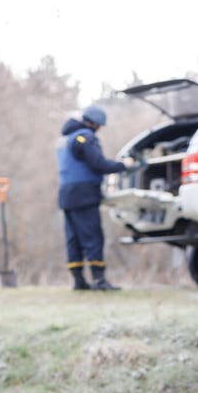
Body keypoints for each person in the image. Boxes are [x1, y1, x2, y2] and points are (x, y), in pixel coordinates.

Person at [57, 105, 135, 291]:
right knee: (92, 236)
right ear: (94, 123)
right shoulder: (85, 137)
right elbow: (98, 164)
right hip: (84, 194)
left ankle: (78, 281)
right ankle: (100, 281)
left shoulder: (65, 139)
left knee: (73, 238)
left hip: (67, 194)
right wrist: (124, 165)